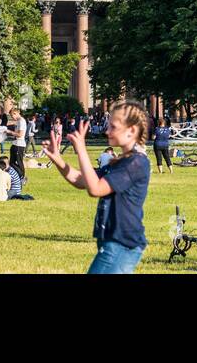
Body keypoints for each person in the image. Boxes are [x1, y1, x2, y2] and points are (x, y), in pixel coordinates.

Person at [43, 100, 150, 274]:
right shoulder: (120, 162)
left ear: (131, 130)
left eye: (113, 127)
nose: (107, 131)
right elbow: (81, 180)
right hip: (113, 243)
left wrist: (82, 149)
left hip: (121, 245)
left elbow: (95, 189)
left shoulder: (136, 163)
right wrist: (58, 160)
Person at [7, 108, 27, 177]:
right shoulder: (18, 121)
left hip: (19, 145)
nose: (12, 118)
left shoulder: (21, 121)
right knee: (11, 163)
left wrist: (10, 132)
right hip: (15, 144)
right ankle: (17, 175)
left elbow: (20, 134)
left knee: (19, 162)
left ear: (15, 113)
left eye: (12, 116)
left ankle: (22, 176)